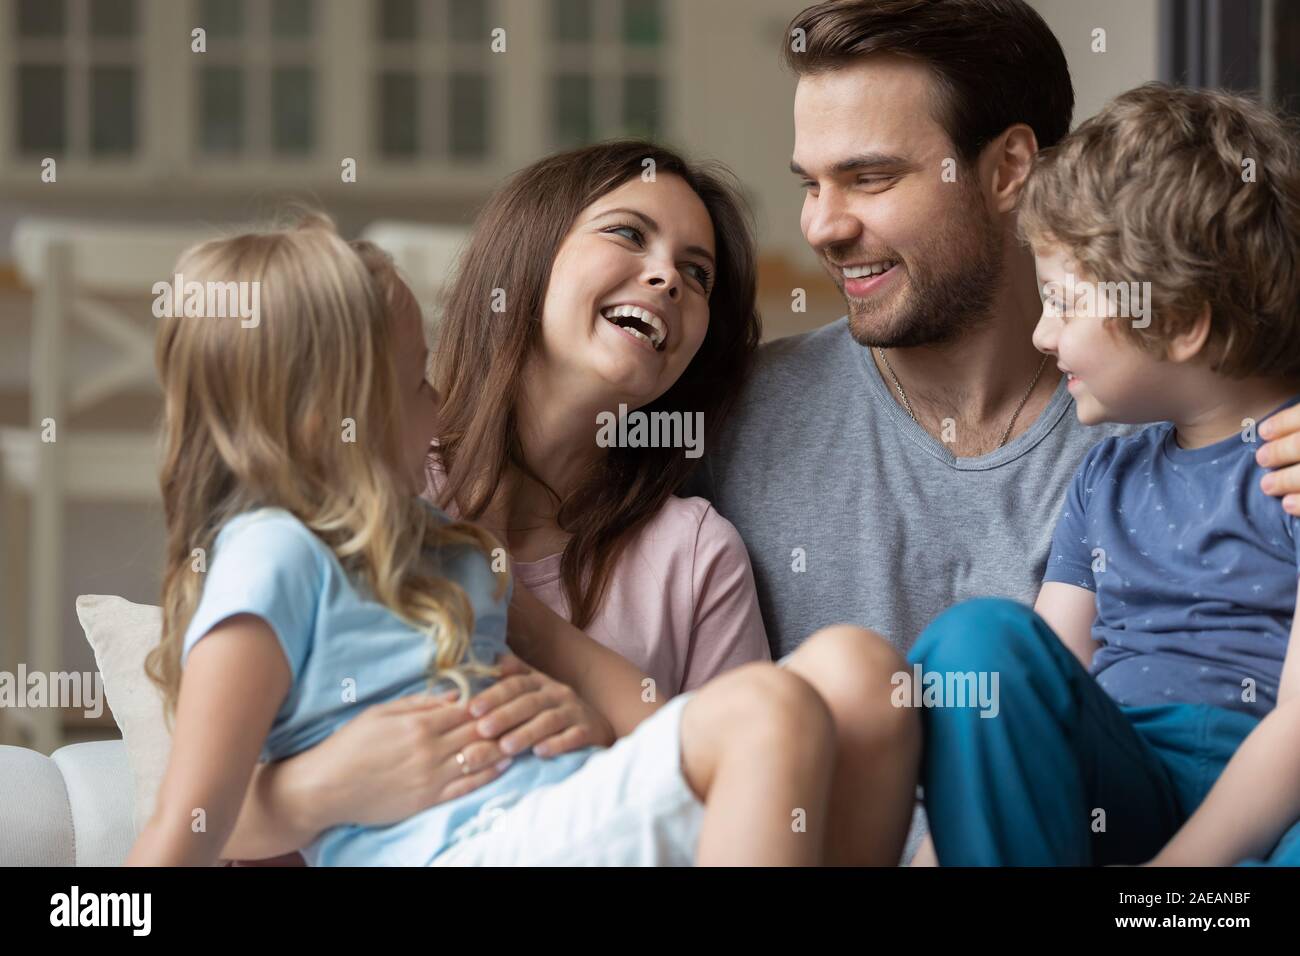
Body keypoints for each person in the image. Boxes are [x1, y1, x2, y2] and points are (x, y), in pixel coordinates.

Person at [127, 215, 919, 866]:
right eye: (415, 385)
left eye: (697, 270)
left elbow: (632, 705)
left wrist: (580, 711)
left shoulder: (438, 545)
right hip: (463, 848)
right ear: (326, 421)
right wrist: (322, 791)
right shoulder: (271, 558)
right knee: (766, 710)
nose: (437, 413)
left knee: (853, 668)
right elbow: (183, 827)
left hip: (555, 817)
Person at [909, 83, 1300, 866]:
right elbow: (1038, 688)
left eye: (1062, 303)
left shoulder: (1295, 463)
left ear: (1183, 322)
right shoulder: (1107, 477)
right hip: (1119, 786)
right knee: (976, 642)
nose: (1042, 332)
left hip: (1269, 808)